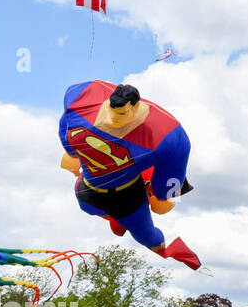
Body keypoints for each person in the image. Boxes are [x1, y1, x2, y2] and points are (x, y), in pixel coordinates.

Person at [58, 82, 201, 269]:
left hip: (85, 191)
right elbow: (165, 191)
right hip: (126, 201)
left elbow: (66, 137)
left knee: (93, 207)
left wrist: (76, 152)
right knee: (152, 239)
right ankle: (167, 250)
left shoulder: (79, 95)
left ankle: (118, 221)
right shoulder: (170, 135)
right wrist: (160, 191)